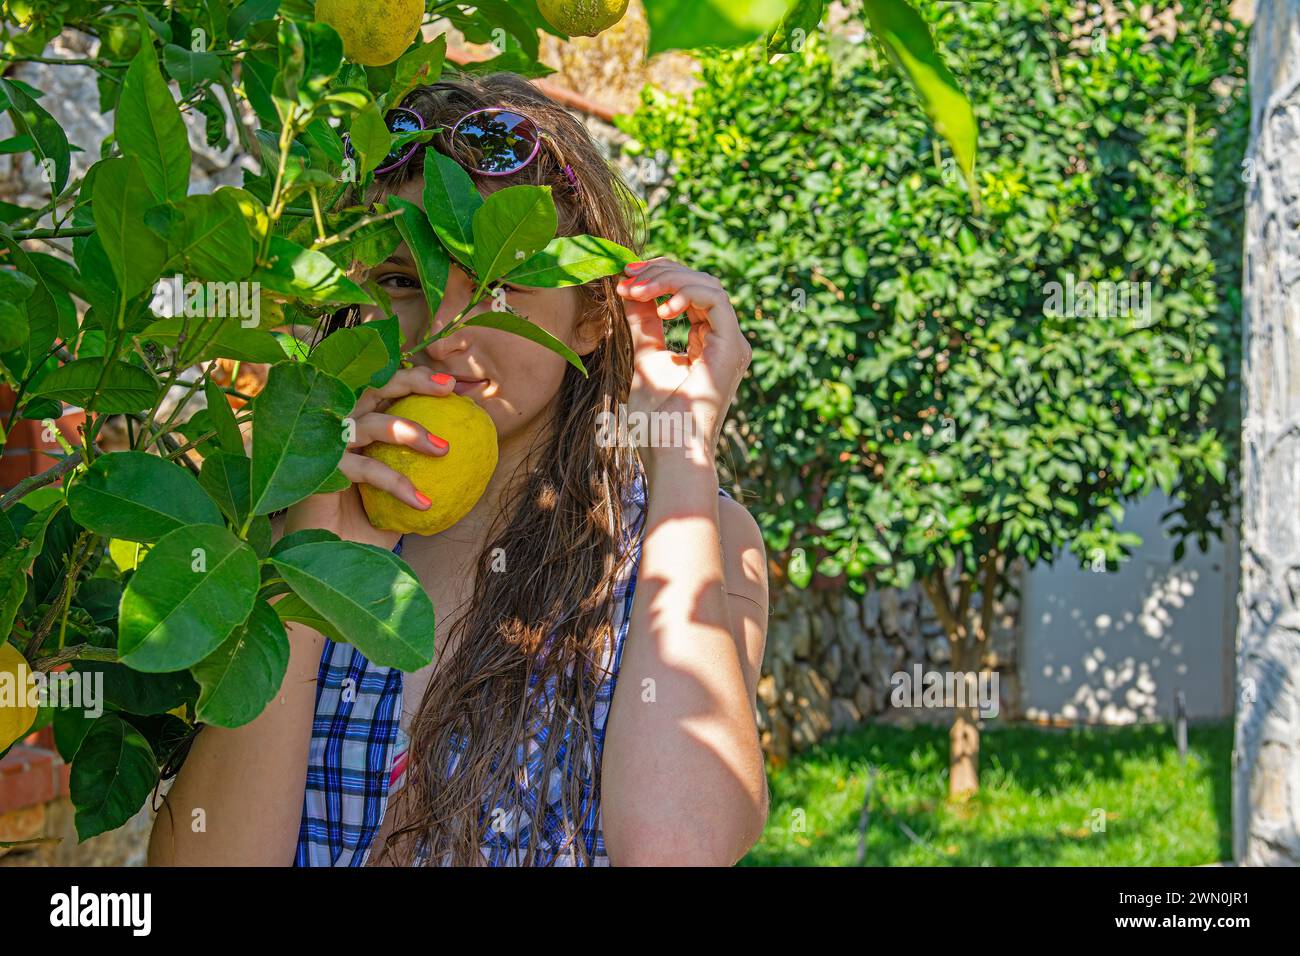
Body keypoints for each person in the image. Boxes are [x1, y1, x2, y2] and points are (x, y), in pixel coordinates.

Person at [148, 71, 769, 867]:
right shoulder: (280, 536)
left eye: (500, 282)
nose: (443, 330)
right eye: (404, 281)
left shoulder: (687, 540)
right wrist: (310, 564)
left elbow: (680, 848)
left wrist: (680, 448)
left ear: (590, 317)